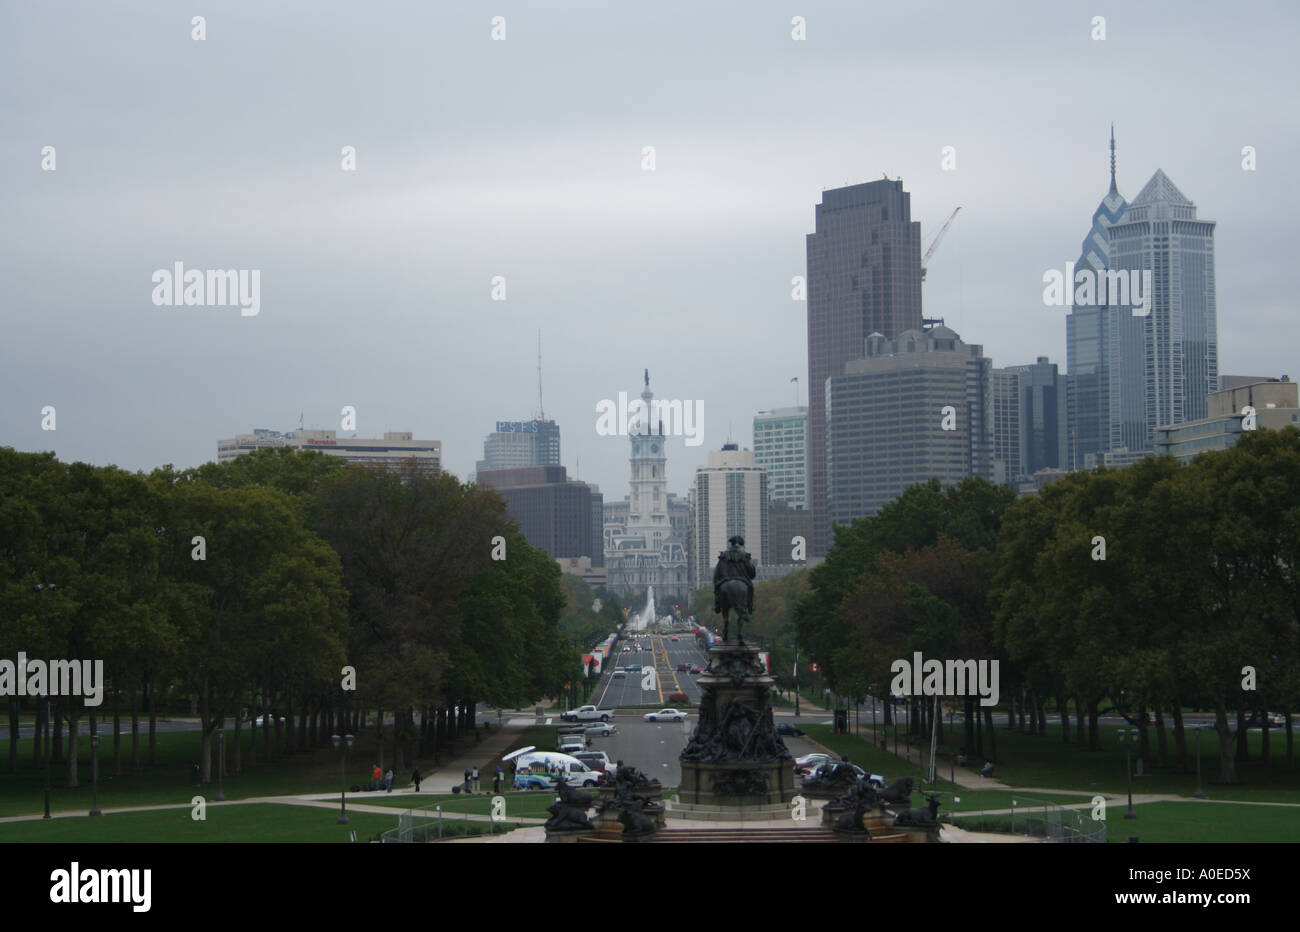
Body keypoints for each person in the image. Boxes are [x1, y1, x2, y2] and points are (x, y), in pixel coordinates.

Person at [713, 535, 756, 615]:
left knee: (717, 590)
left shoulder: (724, 556)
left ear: (731, 545)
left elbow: (719, 570)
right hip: (743, 579)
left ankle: (717, 605)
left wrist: (722, 579)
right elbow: (752, 573)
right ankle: (750, 606)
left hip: (726, 579)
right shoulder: (745, 557)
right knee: (751, 589)